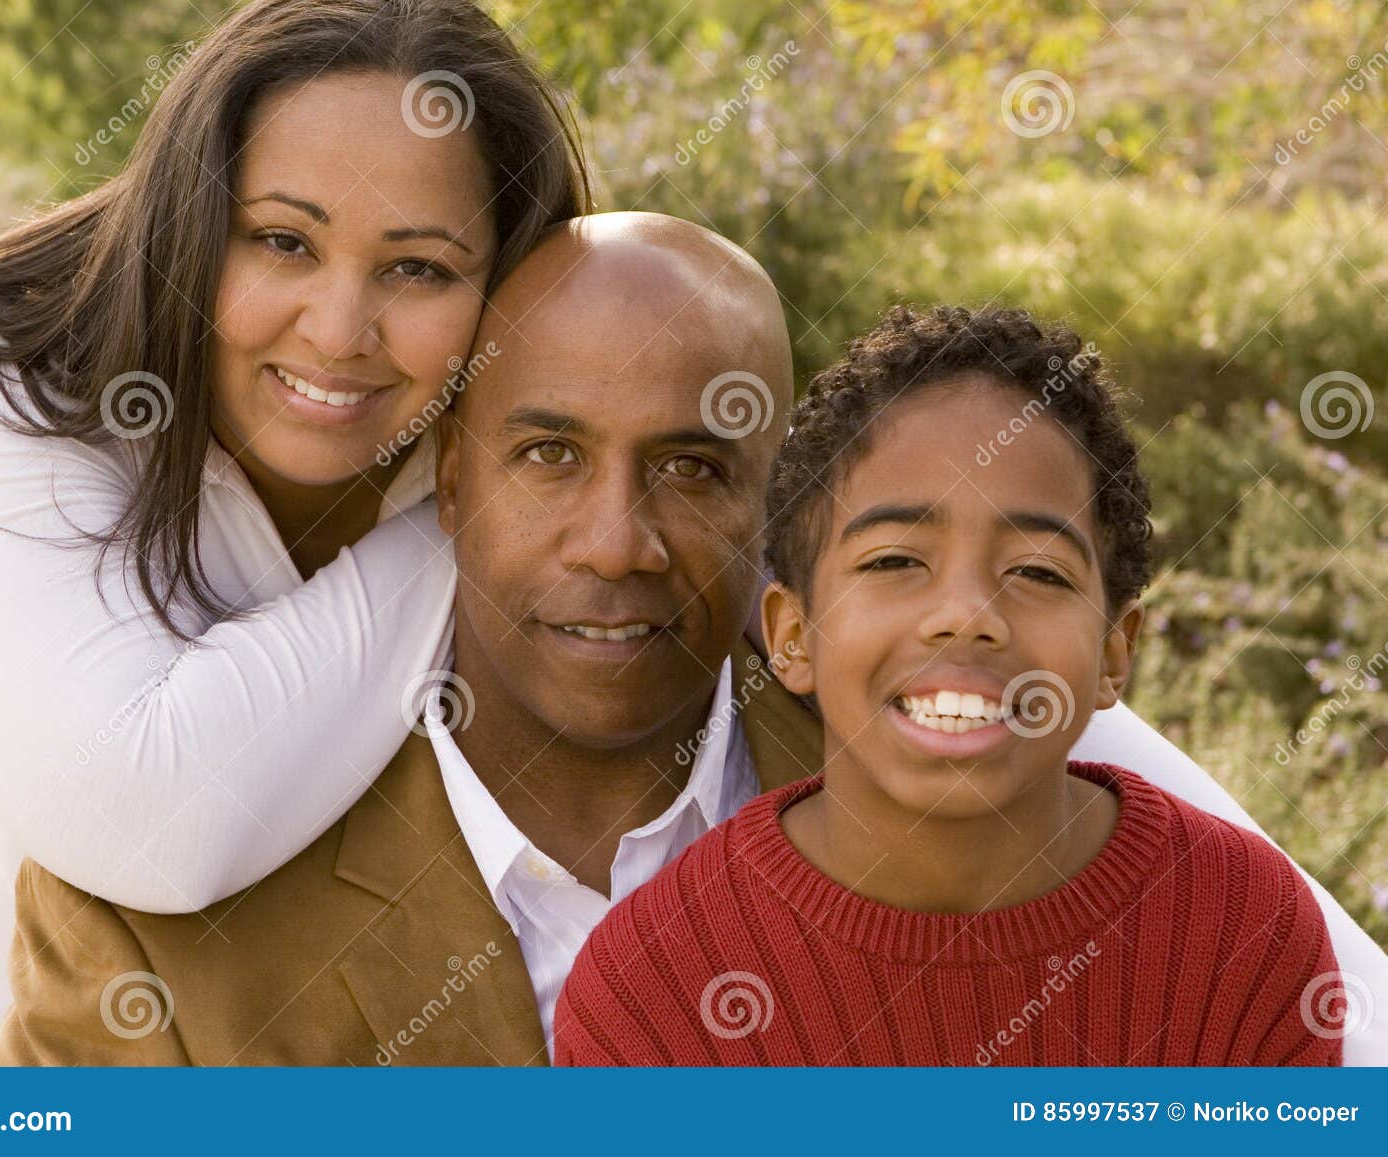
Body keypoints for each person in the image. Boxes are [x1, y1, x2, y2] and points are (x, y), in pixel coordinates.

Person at [0, 0, 589, 1066]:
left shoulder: (518, 388)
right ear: (195, 216)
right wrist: (489, 521)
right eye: (283, 240)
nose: (337, 332)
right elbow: (147, 819)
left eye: (418, 267)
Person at [0, 212, 809, 1064]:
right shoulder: (146, 931)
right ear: (452, 479)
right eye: (549, 454)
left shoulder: (933, 809)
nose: (614, 544)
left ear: (771, 501)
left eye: (691, 469)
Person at [553, 305, 1348, 1066]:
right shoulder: (650, 992)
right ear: (792, 633)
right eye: (896, 561)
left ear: (1115, 650)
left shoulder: (1244, 930)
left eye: (1036, 571)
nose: (967, 615)